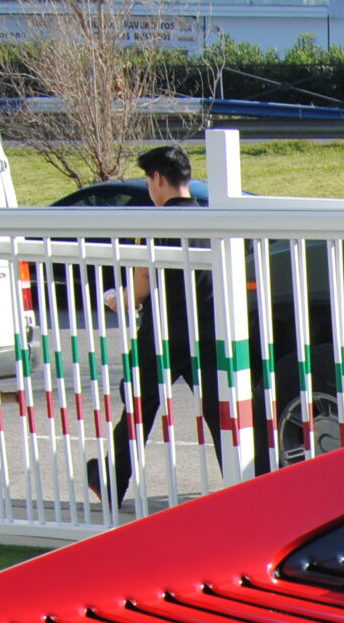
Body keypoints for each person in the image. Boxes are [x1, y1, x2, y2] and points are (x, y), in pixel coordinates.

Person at [86, 145, 219, 505]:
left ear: (158, 178)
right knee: (221, 414)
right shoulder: (211, 219)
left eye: (148, 179)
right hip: (207, 330)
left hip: (162, 333)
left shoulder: (155, 223)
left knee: (138, 406)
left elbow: (141, 285)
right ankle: (251, 480)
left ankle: (111, 480)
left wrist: (118, 300)